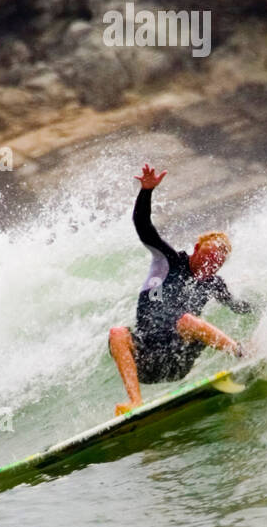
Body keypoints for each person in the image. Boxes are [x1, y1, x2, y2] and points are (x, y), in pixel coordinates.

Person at [108, 164, 252, 416]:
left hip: (180, 358)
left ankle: (242, 354)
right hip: (149, 360)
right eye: (209, 257)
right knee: (117, 333)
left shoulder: (214, 284)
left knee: (186, 321)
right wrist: (146, 191)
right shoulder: (168, 260)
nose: (212, 264)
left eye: (218, 262)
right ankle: (135, 403)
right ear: (197, 249)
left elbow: (238, 307)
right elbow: (143, 226)